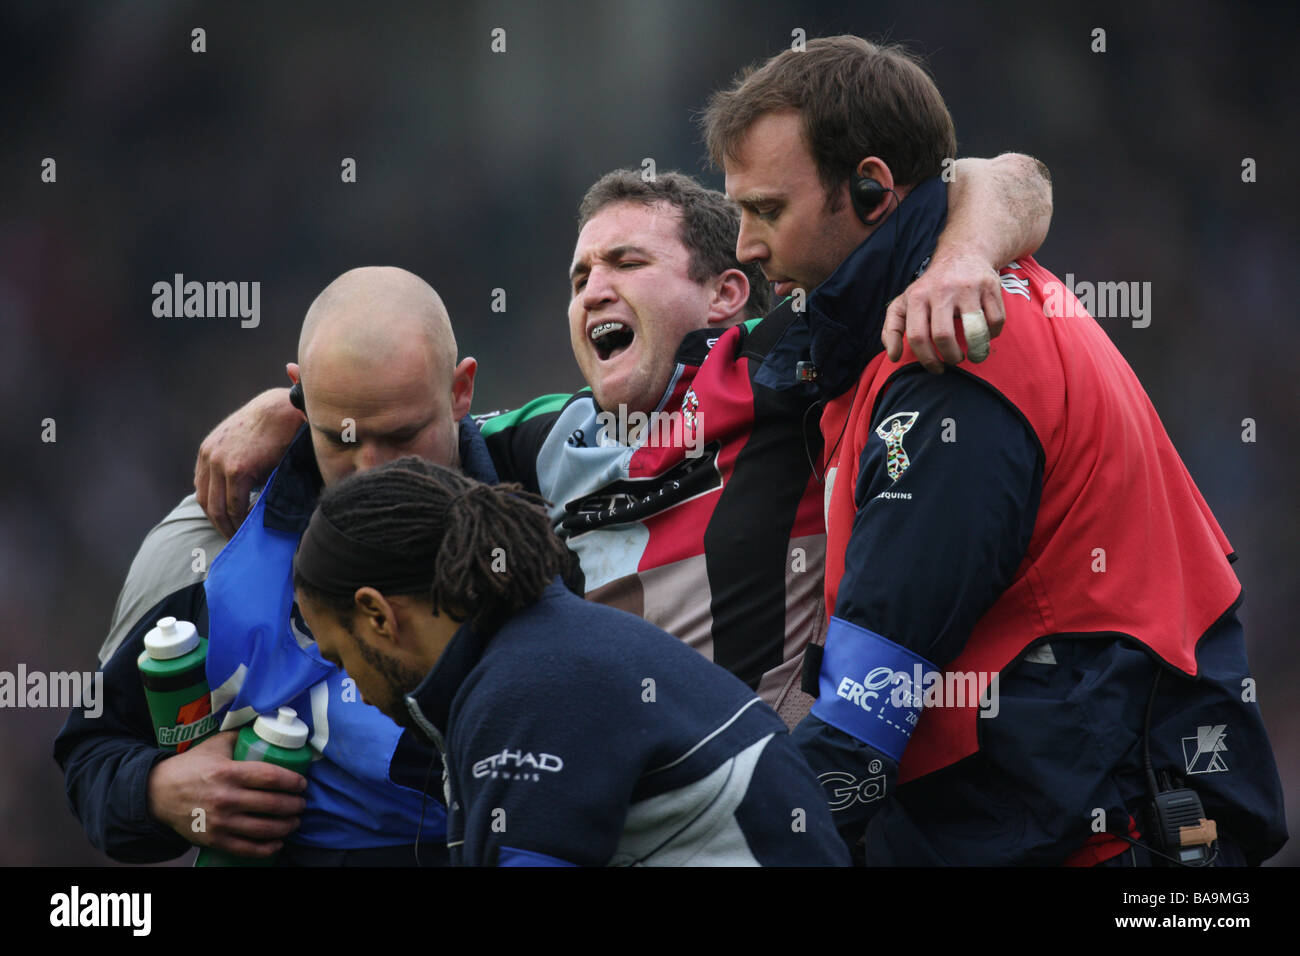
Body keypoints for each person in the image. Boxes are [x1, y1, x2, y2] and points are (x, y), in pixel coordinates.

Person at [703, 34, 1288, 865]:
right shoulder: (899, 321)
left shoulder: (953, 354)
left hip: (1113, 840)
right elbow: (998, 175)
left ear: (873, 190)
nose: (746, 248)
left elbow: (864, 725)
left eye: (766, 211)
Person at [195, 160, 1052, 727]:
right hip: (604, 807)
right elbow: (401, 427)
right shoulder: (537, 435)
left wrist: (960, 260)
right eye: (579, 276)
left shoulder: (785, 365)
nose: (593, 288)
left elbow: (1012, 177)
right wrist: (294, 404)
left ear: (725, 293)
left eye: (625, 263)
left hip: (757, 803)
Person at [54, 266, 491, 865]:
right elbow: (90, 755)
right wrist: (158, 791)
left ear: (460, 391)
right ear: (301, 398)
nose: (370, 472)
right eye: (340, 438)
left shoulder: (545, 493)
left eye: (402, 435)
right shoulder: (205, 553)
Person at [291, 456, 851, 866]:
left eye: (340, 658)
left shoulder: (526, 687)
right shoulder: (537, 651)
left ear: (377, 615)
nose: (356, 691)